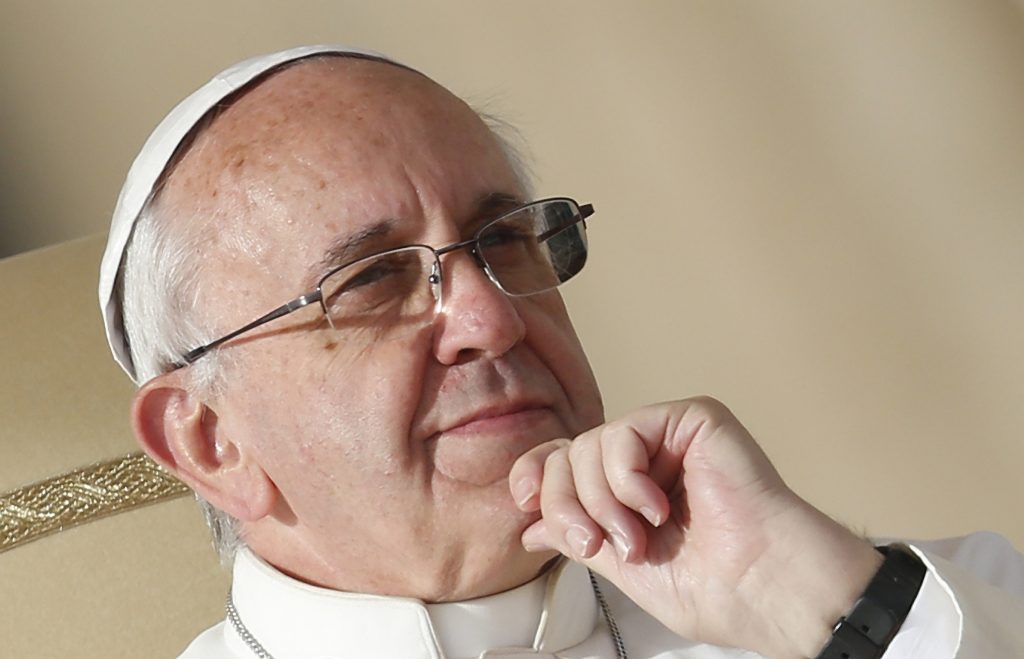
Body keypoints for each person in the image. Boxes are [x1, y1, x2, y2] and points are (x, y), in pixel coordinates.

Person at [99, 45, 1024, 658]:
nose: (490, 321)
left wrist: (823, 606)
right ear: (210, 440)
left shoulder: (919, 606)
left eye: (502, 240)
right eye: (374, 280)